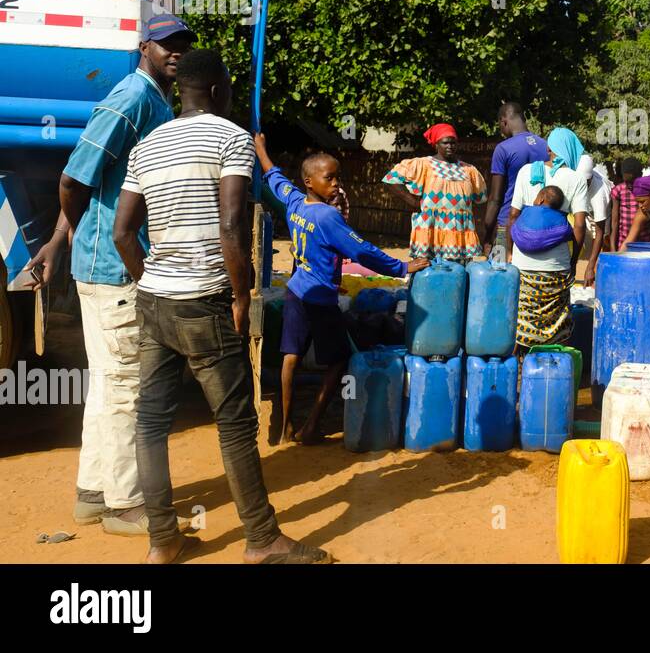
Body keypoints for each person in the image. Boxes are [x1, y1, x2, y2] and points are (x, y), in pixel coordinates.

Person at [113, 49, 329, 563]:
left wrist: (154, 281)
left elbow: (123, 233)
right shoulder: (229, 137)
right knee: (233, 422)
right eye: (228, 86)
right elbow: (233, 225)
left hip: (154, 303)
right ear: (215, 91)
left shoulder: (146, 146)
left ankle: (162, 542)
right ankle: (261, 540)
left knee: (150, 423)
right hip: (207, 300)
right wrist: (240, 293)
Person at [23, 11, 195, 536]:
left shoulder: (155, 100)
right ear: (144, 46)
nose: (176, 53)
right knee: (126, 387)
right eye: (166, 44)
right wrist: (58, 238)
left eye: (183, 45)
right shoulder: (132, 98)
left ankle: (94, 493)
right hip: (114, 267)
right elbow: (76, 174)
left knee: (106, 384)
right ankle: (125, 505)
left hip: (107, 263)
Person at [254, 134, 428, 445]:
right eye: (329, 178)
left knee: (290, 356)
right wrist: (403, 267)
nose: (336, 184)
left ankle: (285, 424)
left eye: (338, 177)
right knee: (339, 360)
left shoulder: (295, 202)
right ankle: (311, 426)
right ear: (310, 181)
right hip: (320, 297)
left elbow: (274, 176)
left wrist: (261, 150)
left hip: (296, 290)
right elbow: (363, 252)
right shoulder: (328, 217)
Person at [509, 128, 590, 350]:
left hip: (523, 262)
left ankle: (517, 369)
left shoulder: (526, 172)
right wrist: (573, 261)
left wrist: (510, 251)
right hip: (557, 265)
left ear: (548, 150)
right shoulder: (576, 179)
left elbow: (513, 216)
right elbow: (580, 225)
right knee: (558, 321)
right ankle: (557, 365)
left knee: (521, 317)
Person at [383, 123, 487, 263]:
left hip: (459, 232)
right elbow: (390, 179)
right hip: (430, 229)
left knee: (458, 275)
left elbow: (480, 197)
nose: (450, 146)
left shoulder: (469, 170)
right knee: (428, 273)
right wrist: (412, 202)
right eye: (445, 142)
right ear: (436, 144)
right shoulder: (423, 165)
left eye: (453, 142)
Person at [483, 102, 549, 258]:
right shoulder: (546, 146)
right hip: (537, 224)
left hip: (507, 225)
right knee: (528, 276)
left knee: (502, 276)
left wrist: (487, 236)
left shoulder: (503, 148)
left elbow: (495, 198)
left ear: (504, 121)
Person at [576, 154, 611, 286]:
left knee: (604, 240)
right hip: (587, 209)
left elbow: (600, 232)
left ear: (590, 180)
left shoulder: (599, 196)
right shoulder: (579, 178)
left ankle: (602, 276)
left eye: (585, 183)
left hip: (603, 214)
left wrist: (590, 267)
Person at [617, 176, 650, 252]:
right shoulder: (642, 213)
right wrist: (618, 258)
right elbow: (629, 240)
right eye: (638, 202)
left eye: (642, 201)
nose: (640, 206)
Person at [608, 158, 648, 249]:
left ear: (640, 176)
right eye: (626, 182)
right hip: (624, 243)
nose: (629, 185)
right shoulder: (618, 191)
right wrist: (613, 247)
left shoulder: (647, 190)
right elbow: (614, 222)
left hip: (645, 243)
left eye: (632, 181)